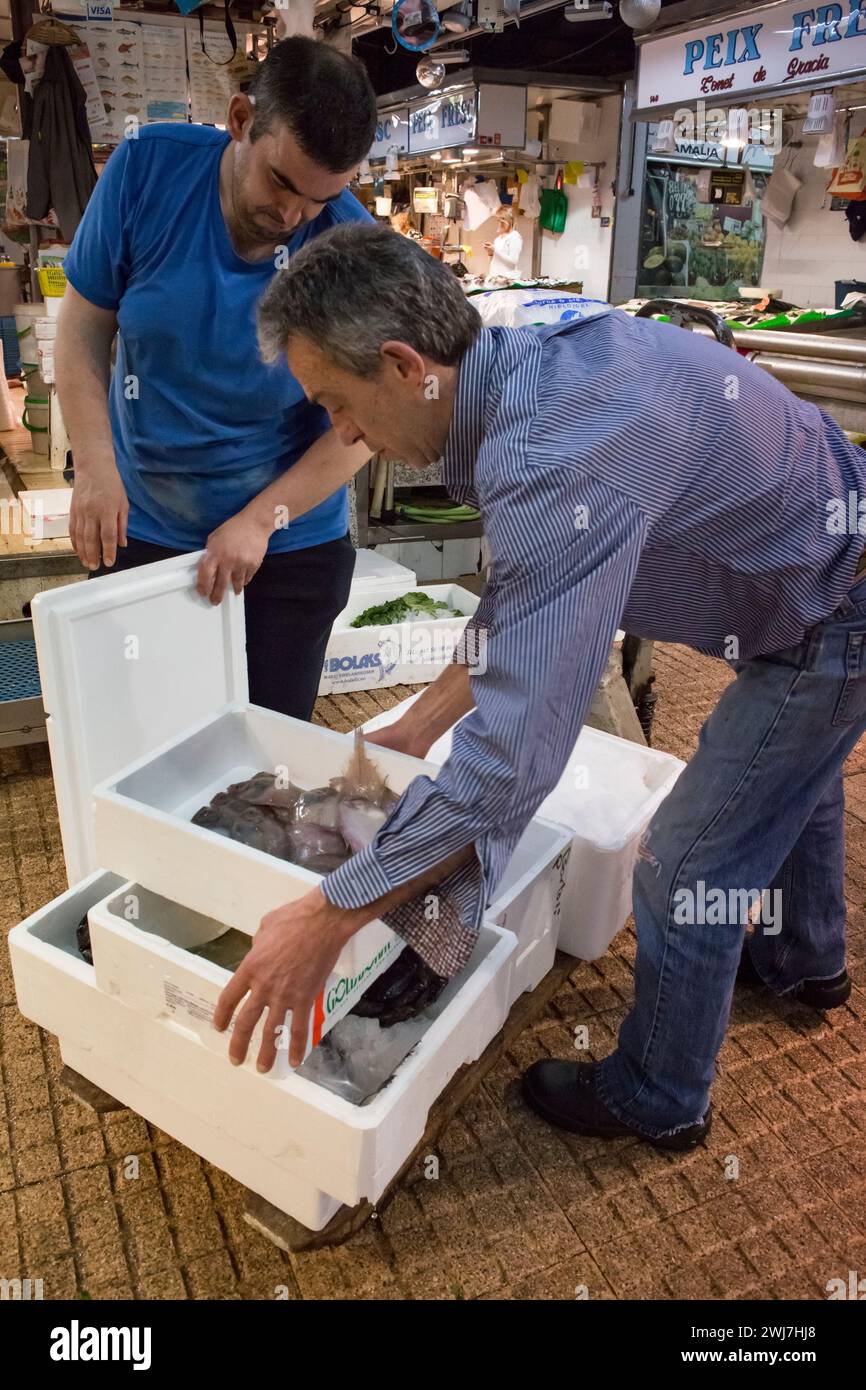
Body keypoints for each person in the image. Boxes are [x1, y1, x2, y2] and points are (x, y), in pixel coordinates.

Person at [214, 224, 866, 1155]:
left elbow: (516, 755)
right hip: (808, 561)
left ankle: (659, 1095)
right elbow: (528, 600)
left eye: (336, 403)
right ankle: (806, 964)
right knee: (787, 776)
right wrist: (417, 727)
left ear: (402, 364)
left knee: (685, 863)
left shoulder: (552, 455)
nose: (343, 435)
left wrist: (332, 912)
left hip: (833, 604)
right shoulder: (506, 359)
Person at [56, 38, 377, 720]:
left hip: (288, 545)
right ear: (239, 120)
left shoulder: (348, 242)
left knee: (262, 765)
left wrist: (262, 519)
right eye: (282, 183)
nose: (293, 217)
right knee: (143, 739)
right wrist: (94, 468)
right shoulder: (147, 170)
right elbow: (83, 331)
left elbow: (367, 426)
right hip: (145, 524)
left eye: (321, 198)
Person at [483, 206, 523, 284]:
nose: (500, 222)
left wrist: (495, 250)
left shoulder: (515, 237)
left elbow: (513, 261)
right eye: (498, 219)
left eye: (503, 219)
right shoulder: (498, 239)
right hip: (495, 279)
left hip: (507, 280)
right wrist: (490, 253)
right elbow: (495, 261)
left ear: (510, 220)